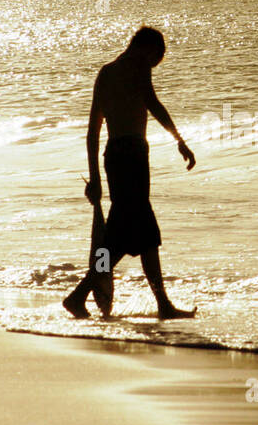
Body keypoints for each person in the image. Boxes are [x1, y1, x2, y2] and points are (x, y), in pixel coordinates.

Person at [63, 27, 196, 319]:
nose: (153, 65)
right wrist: (180, 141)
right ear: (147, 50)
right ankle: (81, 294)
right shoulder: (138, 67)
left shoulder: (106, 73)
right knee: (134, 235)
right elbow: (154, 105)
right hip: (133, 158)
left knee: (133, 236)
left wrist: (96, 177)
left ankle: (158, 303)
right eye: (155, 59)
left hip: (113, 158)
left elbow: (92, 132)